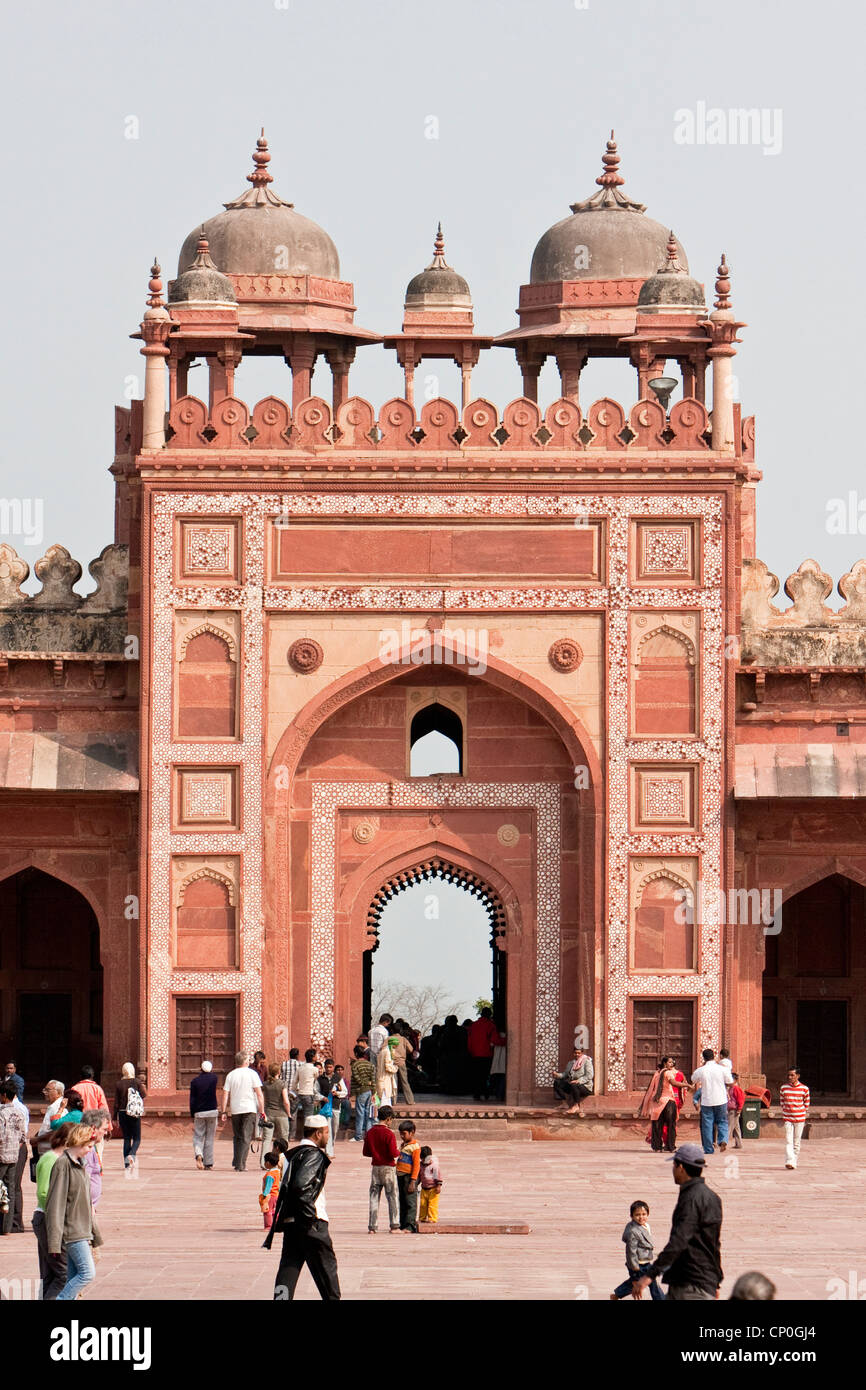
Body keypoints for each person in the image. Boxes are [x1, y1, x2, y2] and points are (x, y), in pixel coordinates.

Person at [633, 1142, 723, 1301]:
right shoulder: (712, 1197)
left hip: (690, 1283)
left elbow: (679, 1240)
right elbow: (714, 1244)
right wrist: (716, 1281)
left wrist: (649, 1276)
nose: (673, 1170)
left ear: (681, 1167)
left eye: (674, 1165)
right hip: (703, 1281)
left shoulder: (691, 1198)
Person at [264, 1114, 340, 1300]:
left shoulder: (292, 1154)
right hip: (311, 1222)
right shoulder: (313, 1154)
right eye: (326, 1132)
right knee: (327, 1276)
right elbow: (300, 1186)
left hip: (291, 1221)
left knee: (289, 1268)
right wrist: (310, 1219)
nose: (328, 1137)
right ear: (318, 1133)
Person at [45, 1122, 103, 1301]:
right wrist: (54, 1240)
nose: (90, 1151)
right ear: (78, 1142)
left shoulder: (79, 1163)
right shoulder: (63, 1165)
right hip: (72, 1230)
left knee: (73, 1277)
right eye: (88, 1146)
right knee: (87, 1273)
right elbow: (55, 1204)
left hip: (82, 1228)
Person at [32, 1122, 73, 1299]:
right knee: (63, 1275)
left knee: (50, 1274)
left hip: (48, 1218)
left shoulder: (59, 1158)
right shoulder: (51, 1159)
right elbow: (43, 1191)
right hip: (48, 1219)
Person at [610, 1200, 664, 1301]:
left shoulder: (646, 1226)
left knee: (647, 1282)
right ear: (632, 1216)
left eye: (644, 1214)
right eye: (637, 1215)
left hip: (646, 1262)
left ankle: (616, 1295)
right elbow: (631, 1253)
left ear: (648, 1214)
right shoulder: (633, 1232)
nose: (641, 1217)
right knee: (642, 1282)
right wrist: (634, 1273)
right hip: (638, 1264)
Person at [220, 1050, 265, 1173]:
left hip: (236, 1109)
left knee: (238, 1136)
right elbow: (259, 1094)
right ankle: (241, 1164)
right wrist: (262, 1111)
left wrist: (223, 1111)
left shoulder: (231, 1075)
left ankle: (237, 1161)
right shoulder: (252, 1074)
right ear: (246, 1061)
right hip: (249, 1109)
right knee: (246, 1137)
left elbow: (225, 1094)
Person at [363, 1104, 400, 1233]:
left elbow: (366, 1152)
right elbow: (393, 1153)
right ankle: (394, 1225)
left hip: (375, 1168)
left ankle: (372, 1227)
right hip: (388, 1167)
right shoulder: (389, 1134)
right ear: (389, 1119)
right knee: (392, 1197)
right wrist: (399, 1152)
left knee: (374, 1197)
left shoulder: (370, 1132)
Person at [640, 1056, 687, 1152]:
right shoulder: (669, 1072)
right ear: (665, 1063)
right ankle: (670, 1146)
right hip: (669, 1101)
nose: (672, 1064)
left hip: (657, 1101)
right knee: (671, 1125)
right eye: (670, 1062)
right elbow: (674, 1083)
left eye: (672, 1062)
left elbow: (651, 1089)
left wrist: (647, 1103)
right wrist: (687, 1085)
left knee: (657, 1124)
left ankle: (656, 1147)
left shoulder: (657, 1073)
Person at [691, 1049, 730, 1155]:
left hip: (707, 1101)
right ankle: (723, 1140)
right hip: (721, 1099)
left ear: (704, 1058)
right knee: (722, 1121)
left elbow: (693, 1079)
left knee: (707, 1125)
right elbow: (730, 1081)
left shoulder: (701, 1070)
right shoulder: (722, 1069)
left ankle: (708, 1149)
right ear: (714, 1056)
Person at [0, 1080, 26, 1235]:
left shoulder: (2, 1113)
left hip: (2, 1154)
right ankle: (7, 1227)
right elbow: (23, 1136)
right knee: (10, 1190)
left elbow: (1, 1136)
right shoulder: (20, 1112)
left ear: (3, 1095)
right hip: (14, 1155)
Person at [114, 1063, 147, 1169]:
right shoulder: (136, 1082)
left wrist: (114, 1117)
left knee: (127, 1138)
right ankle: (131, 1155)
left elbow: (116, 1103)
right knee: (137, 1138)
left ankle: (126, 1164)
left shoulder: (119, 1084)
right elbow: (144, 1095)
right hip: (133, 1112)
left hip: (123, 1112)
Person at [190, 1060, 219, 1170]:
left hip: (199, 1112)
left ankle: (198, 1154)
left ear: (200, 1069)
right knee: (209, 1137)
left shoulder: (195, 1081)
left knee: (198, 1135)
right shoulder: (214, 1079)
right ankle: (209, 1162)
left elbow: (192, 1099)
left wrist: (192, 1113)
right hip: (212, 1110)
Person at [261, 1063, 292, 1165]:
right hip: (281, 1114)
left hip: (269, 1114)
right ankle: (283, 1162)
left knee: (266, 1139)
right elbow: (286, 1101)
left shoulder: (265, 1084)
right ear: (279, 1072)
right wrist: (289, 1114)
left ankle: (264, 1163)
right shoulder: (282, 1084)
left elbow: (262, 1099)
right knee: (283, 1139)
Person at [779, 1067, 810, 1170]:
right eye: (789, 1075)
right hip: (788, 1118)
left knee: (796, 1141)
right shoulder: (784, 1088)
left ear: (798, 1076)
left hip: (799, 1118)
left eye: (792, 1075)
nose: (790, 1077)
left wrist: (800, 1112)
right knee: (788, 1140)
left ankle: (794, 1161)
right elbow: (782, 1101)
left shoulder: (804, 1089)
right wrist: (786, 1111)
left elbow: (806, 1104)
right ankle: (789, 1160)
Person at [466, 1008, 499, 1101]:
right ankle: (485, 1092)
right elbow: (495, 1040)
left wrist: (470, 1051)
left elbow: (469, 1041)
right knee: (484, 1075)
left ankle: (477, 1093)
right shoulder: (491, 1026)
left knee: (476, 1074)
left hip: (475, 1054)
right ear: (489, 1015)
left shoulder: (473, 1025)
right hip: (486, 1054)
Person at [552, 1046, 594, 1116]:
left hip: (585, 1087)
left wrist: (579, 1081)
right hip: (573, 1086)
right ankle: (564, 1103)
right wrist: (557, 1075)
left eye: (579, 1053)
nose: (577, 1054)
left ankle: (576, 1105)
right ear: (573, 1053)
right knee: (557, 1082)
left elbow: (590, 1075)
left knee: (574, 1084)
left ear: (582, 1053)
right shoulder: (571, 1063)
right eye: (575, 1053)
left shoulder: (587, 1061)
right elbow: (565, 1074)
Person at [81, 1109, 111, 1206]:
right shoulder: (86, 1150)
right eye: (104, 1129)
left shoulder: (91, 1148)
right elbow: (83, 1181)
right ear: (94, 1128)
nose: (105, 1133)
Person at [396, 1119, 421, 1232]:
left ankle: (410, 1225)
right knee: (402, 1201)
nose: (402, 1136)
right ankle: (402, 1224)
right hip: (400, 1176)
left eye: (404, 1134)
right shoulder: (404, 1145)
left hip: (409, 1177)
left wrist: (413, 1181)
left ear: (412, 1132)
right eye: (400, 1133)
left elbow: (416, 1166)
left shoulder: (415, 1147)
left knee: (410, 1202)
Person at [349, 1044, 376, 1141]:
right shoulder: (370, 1064)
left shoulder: (355, 1065)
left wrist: (365, 1083)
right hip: (369, 1091)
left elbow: (357, 1079)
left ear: (356, 1054)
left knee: (360, 1113)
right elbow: (373, 1079)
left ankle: (358, 1136)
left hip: (361, 1091)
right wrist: (373, 1092)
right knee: (368, 1113)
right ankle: (368, 1135)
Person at [33, 1080, 66, 1157]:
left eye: (48, 1090)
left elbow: (57, 1131)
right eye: (45, 1090)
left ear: (59, 1093)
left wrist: (37, 1139)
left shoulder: (58, 1108)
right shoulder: (53, 1107)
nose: (45, 1093)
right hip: (46, 1150)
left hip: (51, 1152)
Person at [294, 1048, 320, 1134]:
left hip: (300, 1093)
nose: (317, 1057)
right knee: (308, 1116)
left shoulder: (300, 1068)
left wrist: (294, 1092)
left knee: (294, 1114)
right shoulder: (315, 1069)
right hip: (309, 1094)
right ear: (313, 1057)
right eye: (316, 1055)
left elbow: (295, 1082)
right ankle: (307, 1135)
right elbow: (316, 1079)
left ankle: (292, 1135)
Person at [388, 1029, 415, 1105]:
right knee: (405, 1081)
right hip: (401, 1062)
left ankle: (393, 1101)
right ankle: (410, 1100)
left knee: (393, 1082)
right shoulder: (403, 1039)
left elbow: (383, 1048)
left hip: (391, 1062)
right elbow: (411, 1049)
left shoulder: (389, 1039)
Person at [418, 1145, 442, 1223]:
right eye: (423, 1159)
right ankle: (422, 1218)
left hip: (433, 1189)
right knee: (423, 1204)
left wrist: (438, 1186)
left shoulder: (434, 1166)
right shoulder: (420, 1165)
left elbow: (438, 1176)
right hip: (424, 1188)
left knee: (432, 1205)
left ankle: (432, 1218)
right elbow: (419, 1176)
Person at [259, 1150, 282, 1229]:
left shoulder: (270, 1174)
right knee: (274, 1211)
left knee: (267, 1210)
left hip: (270, 1195)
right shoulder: (278, 1172)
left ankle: (268, 1226)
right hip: (277, 1194)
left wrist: (264, 1195)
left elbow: (268, 1186)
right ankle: (277, 1224)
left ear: (268, 1163)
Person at [375, 1035, 398, 1109]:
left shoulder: (382, 1051)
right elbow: (388, 1067)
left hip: (381, 1078)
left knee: (383, 1099)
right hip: (385, 1079)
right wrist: (395, 1068)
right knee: (384, 1101)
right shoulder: (387, 1052)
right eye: (395, 1046)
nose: (395, 1048)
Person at [727, 1072, 745, 1149]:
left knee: (729, 1127)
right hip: (731, 1109)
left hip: (734, 1110)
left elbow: (740, 1099)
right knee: (736, 1128)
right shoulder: (731, 1088)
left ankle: (724, 1143)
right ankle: (739, 1143)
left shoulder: (736, 1088)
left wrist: (739, 1109)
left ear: (734, 1080)